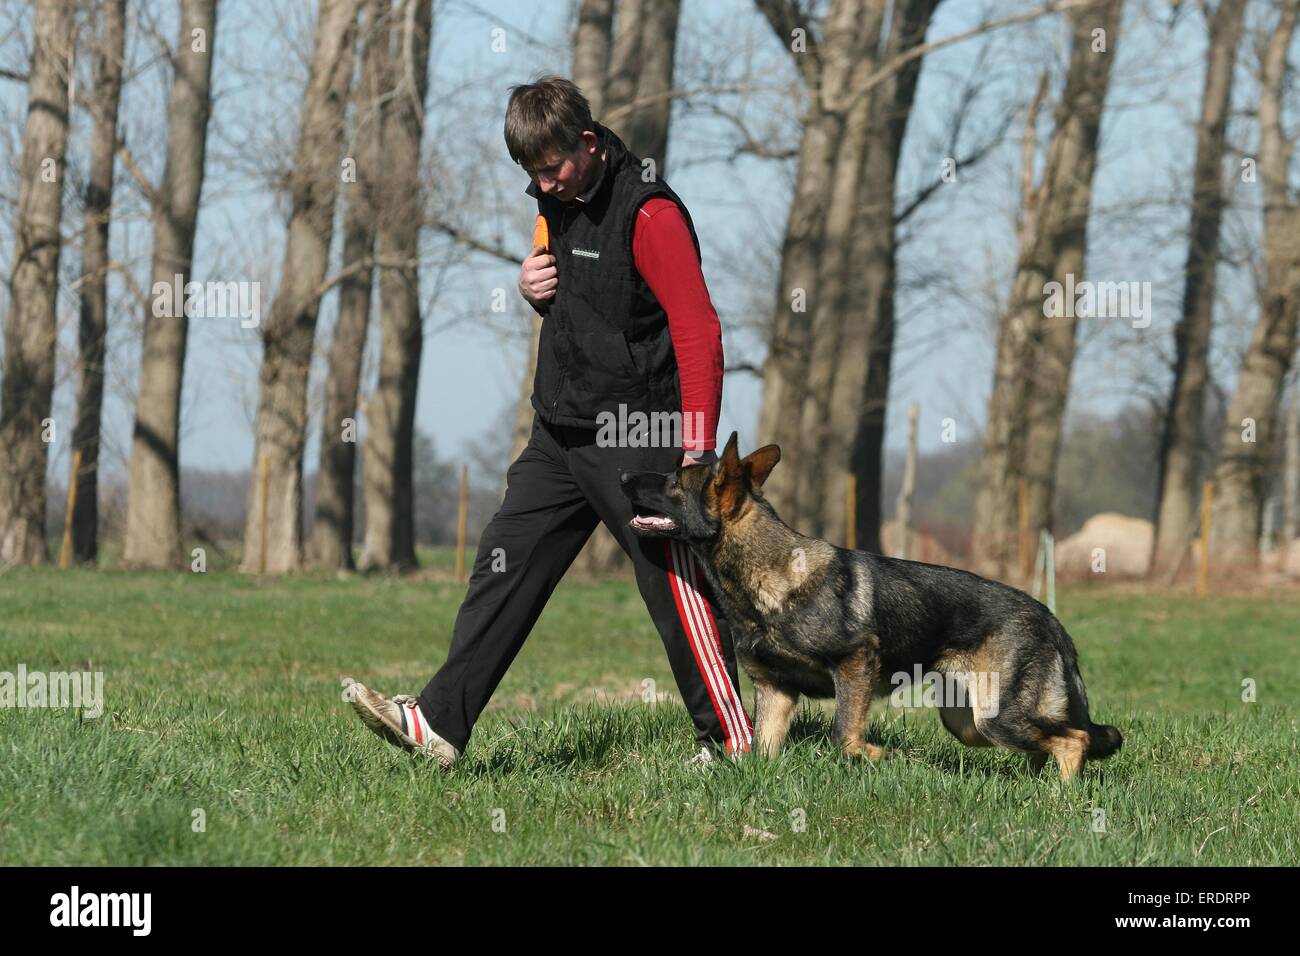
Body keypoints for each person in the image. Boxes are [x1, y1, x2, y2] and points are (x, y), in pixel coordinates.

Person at [348, 75, 752, 767]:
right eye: (532, 173)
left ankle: (730, 739)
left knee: (672, 583)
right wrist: (530, 288)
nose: (544, 184)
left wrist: (696, 447)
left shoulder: (649, 213)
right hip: (559, 429)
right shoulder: (552, 196)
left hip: (636, 434)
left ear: (588, 143)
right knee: (504, 563)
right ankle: (441, 724)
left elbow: (698, 329)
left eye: (553, 167)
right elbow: (581, 299)